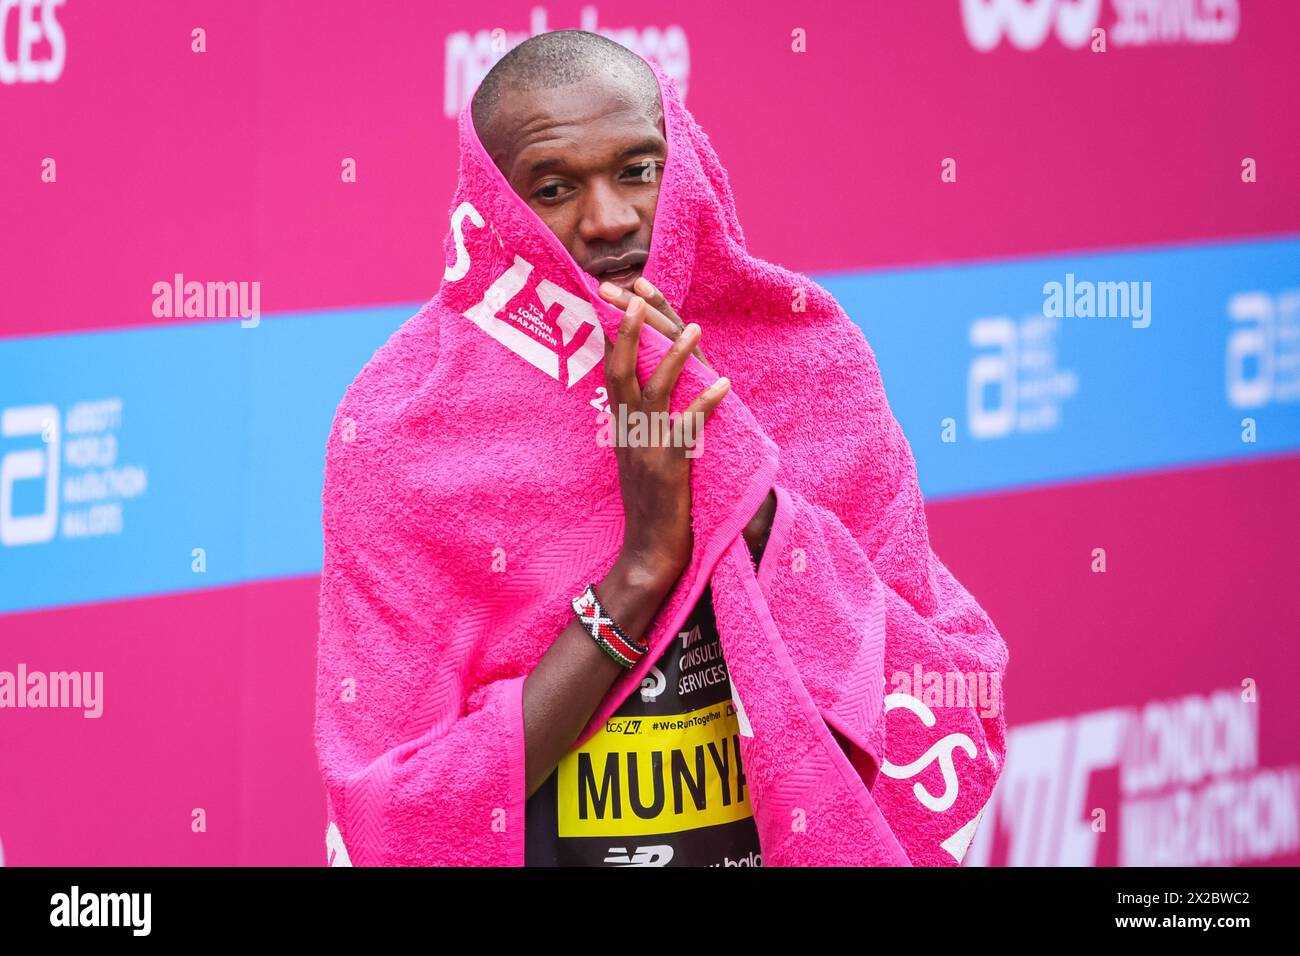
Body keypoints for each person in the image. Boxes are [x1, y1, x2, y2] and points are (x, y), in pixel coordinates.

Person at [471, 30, 776, 866]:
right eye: (556, 186)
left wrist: (744, 501)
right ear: (495, 203)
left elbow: (909, 671)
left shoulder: (801, 359)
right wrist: (642, 568)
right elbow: (413, 797)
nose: (610, 220)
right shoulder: (409, 426)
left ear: (687, 167)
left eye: (639, 170)